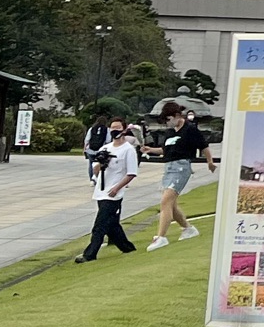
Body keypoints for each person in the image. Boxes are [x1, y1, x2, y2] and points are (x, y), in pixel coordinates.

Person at [149, 102, 215, 247]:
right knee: (171, 204)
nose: (167, 123)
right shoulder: (170, 132)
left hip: (181, 167)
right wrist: (149, 149)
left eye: (168, 119)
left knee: (166, 201)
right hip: (169, 167)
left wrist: (209, 162)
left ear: (176, 116)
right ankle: (188, 228)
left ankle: (161, 236)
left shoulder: (190, 129)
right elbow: (165, 150)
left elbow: (204, 147)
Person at [77, 118, 140, 261]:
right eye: (112, 128)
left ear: (124, 130)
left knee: (100, 225)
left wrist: (117, 188)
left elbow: (131, 173)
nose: (114, 130)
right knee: (111, 224)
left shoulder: (128, 150)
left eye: (118, 127)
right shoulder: (106, 148)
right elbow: (96, 171)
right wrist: (102, 163)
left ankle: (90, 254)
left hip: (114, 194)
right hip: (101, 191)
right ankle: (127, 247)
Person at [83, 110, 114, 193]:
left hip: (91, 150)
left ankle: (91, 180)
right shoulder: (106, 130)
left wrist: (85, 149)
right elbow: (108, 140)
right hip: (100, 150)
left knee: (90, 164)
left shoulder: (92, 128)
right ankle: (97, 177)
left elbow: (87, 139)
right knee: (99, 164)